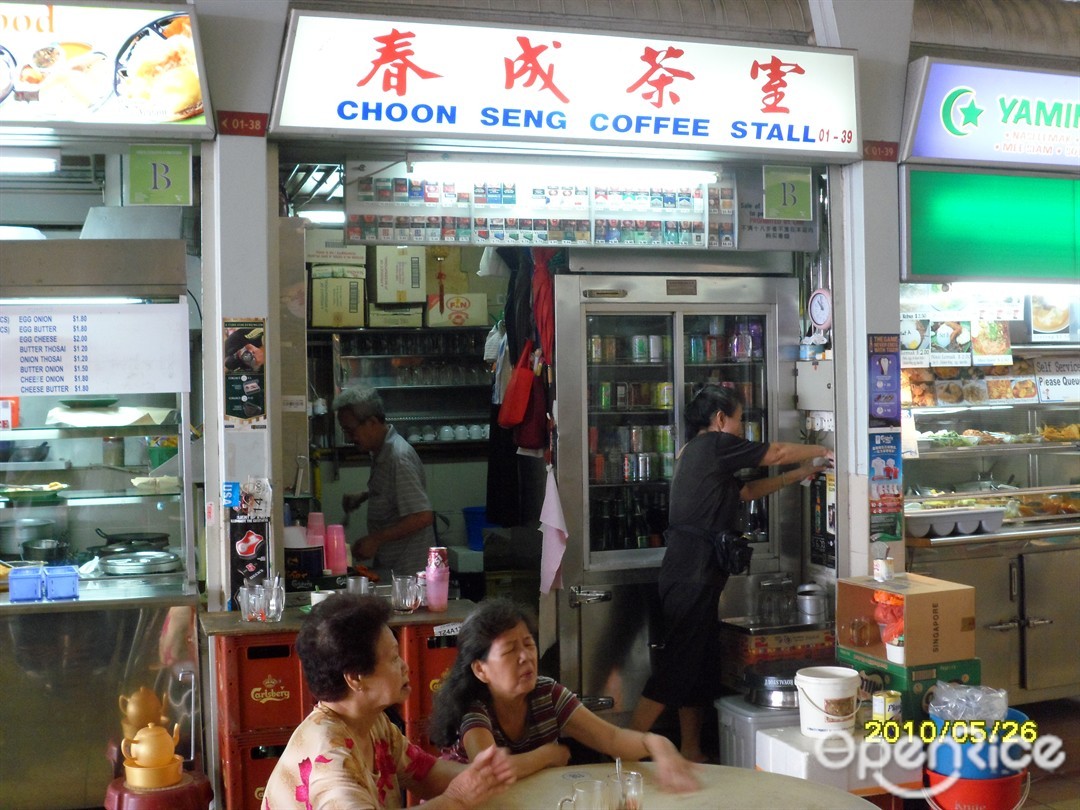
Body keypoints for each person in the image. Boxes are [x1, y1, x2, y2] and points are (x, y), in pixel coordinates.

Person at [630, 384, 834, 761]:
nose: (742, 429)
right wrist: (826, 449)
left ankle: (692, 749)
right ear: (721, 419)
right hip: (691, 573)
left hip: (693, 573)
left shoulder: (697, 452)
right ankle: (620, 749)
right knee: (677, 665)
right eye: (740, 420)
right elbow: (776, 452)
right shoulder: (714, 444)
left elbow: (746, 492)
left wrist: (803, 472)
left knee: (700, 664)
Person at [261, 594, 515, 809]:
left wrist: (485, 776)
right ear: (356, 678)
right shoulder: (330, 762)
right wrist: (455, 798)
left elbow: (425, 773)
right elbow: (453, 793)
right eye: (393, 658)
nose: (405, 666)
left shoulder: (370, 721)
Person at [430, 598, 700, 792]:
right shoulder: (474, 708)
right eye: (510, 650)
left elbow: (612, 738)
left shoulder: (547, 693)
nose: (526, 657)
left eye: (528, 644)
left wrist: (658, 745)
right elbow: (491, 772)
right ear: (481, 669)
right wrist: (548, 755)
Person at [334, 386, 435, 576]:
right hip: (392, 565)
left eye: (350, 430)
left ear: (372, 422)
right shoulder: (381, 452)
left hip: (409, 572)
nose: (349, 438)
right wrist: (365, 496)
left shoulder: (398, 458)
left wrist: (375, 539)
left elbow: (422, 516)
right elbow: (395, 492)